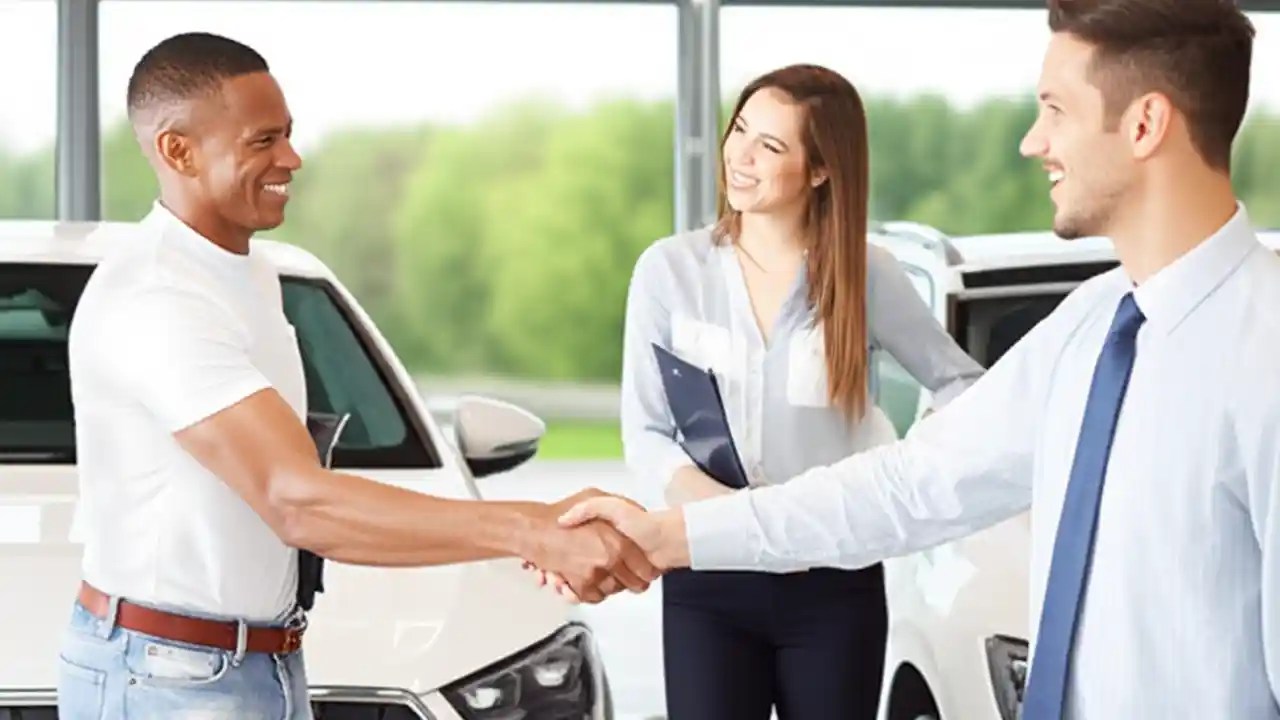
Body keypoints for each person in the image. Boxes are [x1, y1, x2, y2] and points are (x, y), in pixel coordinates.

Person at [557, 1, 1280, 718]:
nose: (1033, 142)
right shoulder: (1088, 332)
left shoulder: (1265, 355)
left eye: (1055, 110)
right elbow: (908, 486)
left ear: (1145, 124)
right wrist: (672, 533)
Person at [56, 32, 656, 720]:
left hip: (246, 664)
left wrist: (544, 519)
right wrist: (529, 530)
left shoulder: (247, 271)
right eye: (263, 142)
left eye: (288, 135)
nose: (292, 158)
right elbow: (296, 500)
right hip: (171, 682)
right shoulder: (158, 295)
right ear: (177, 150)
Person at [612, 64, 983, 719]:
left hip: (832, 586)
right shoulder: (669, 271)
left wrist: (898, 475)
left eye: (771, 146)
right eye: (741, 130)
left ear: (819, 170)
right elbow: (645, 430)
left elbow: (962, 386)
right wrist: (737, 519)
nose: (741, 156)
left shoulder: (866, 274)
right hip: (709, 575)